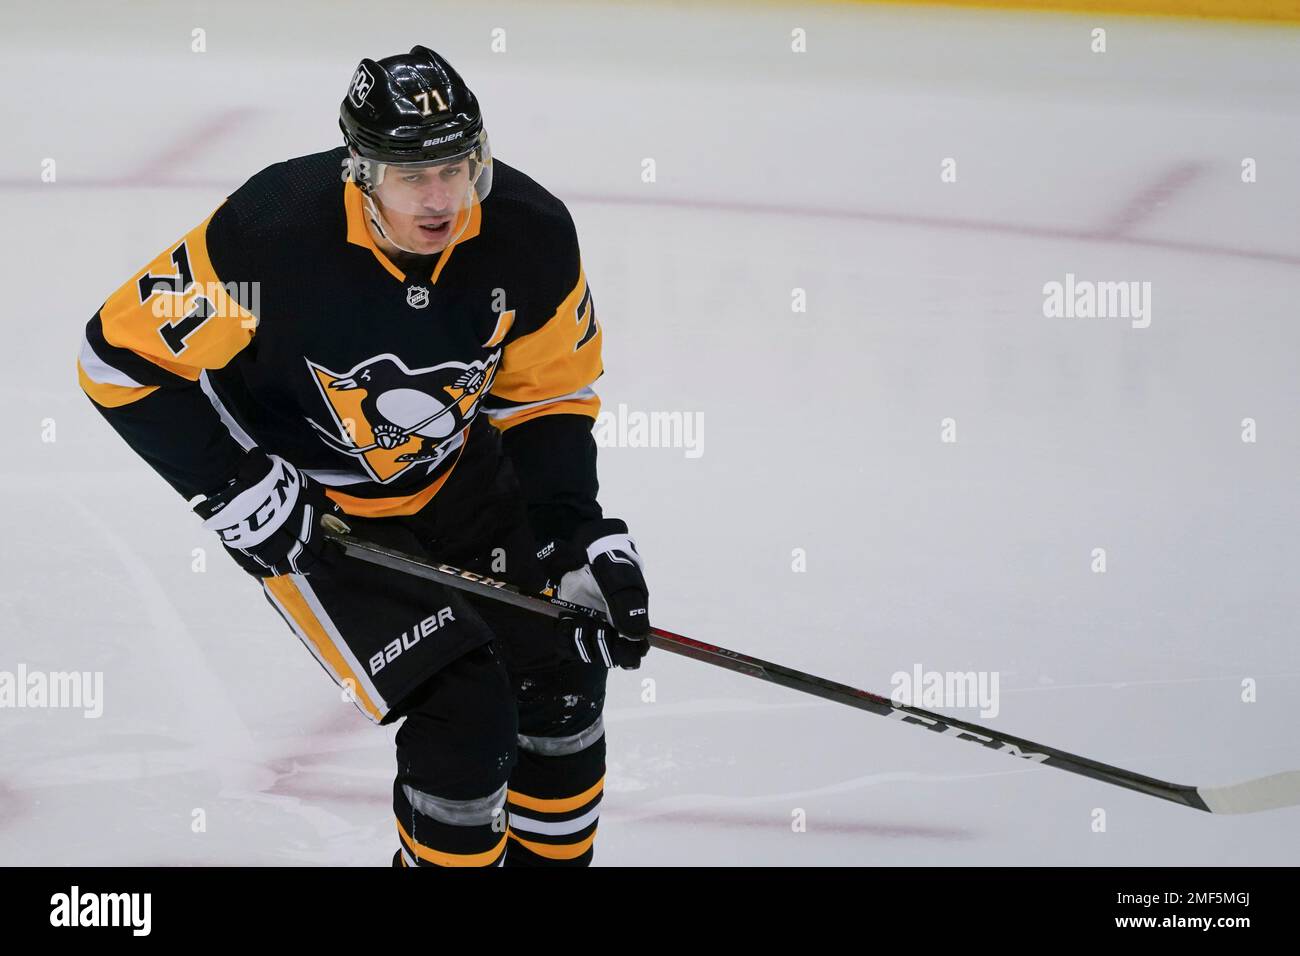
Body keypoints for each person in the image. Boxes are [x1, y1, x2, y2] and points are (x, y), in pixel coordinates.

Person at [77, 45, 651, 867]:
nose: (441, 198)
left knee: (561, 686)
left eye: (457, 167)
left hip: (462, 479)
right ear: (359, 170)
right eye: (412, 174)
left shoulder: (528, 234)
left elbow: (545, 397)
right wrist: (236, 489)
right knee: (466, 715)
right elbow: (117, 363)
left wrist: (573, 536)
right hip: (319, 519)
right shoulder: (272, 235)